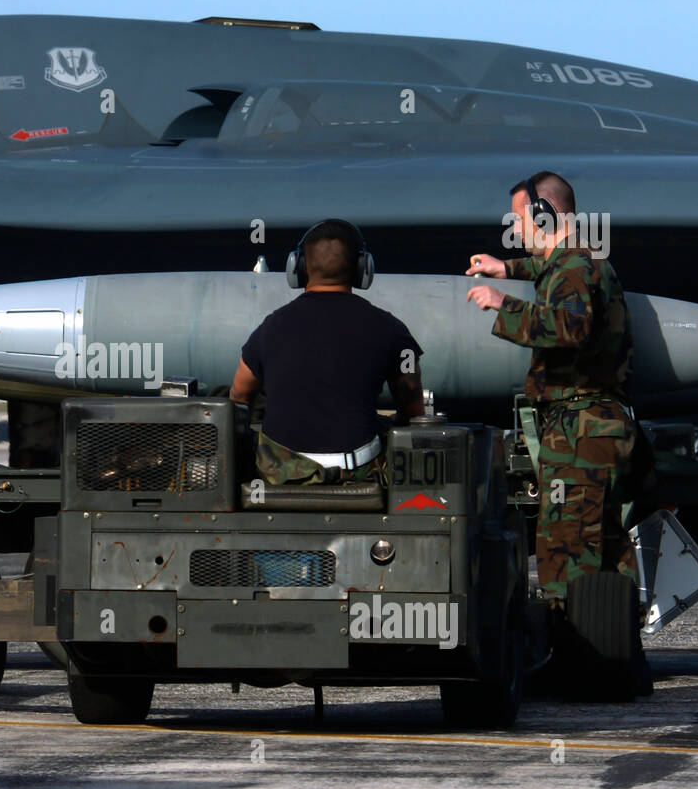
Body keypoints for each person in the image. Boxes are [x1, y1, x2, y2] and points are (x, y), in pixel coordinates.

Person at [465, 170, 649, 694]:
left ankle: (578, 666)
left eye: (519, 219)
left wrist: (503, 304)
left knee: (567, 547)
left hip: (580, 428)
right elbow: (556, 272)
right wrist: (509, 267)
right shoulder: (580, 259)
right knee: (605, 548)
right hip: (600, 426)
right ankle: (618, 665)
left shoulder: (572, 266)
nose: (515, 228)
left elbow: (570, 327)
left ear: (544, 215)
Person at [230, 219, 424, 485]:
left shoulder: (270, 328)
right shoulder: (393, 331)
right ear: (362, 268)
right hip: (359, 471)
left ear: (298, 268)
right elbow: (414, 412)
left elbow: (239, 397)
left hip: (283, 475)